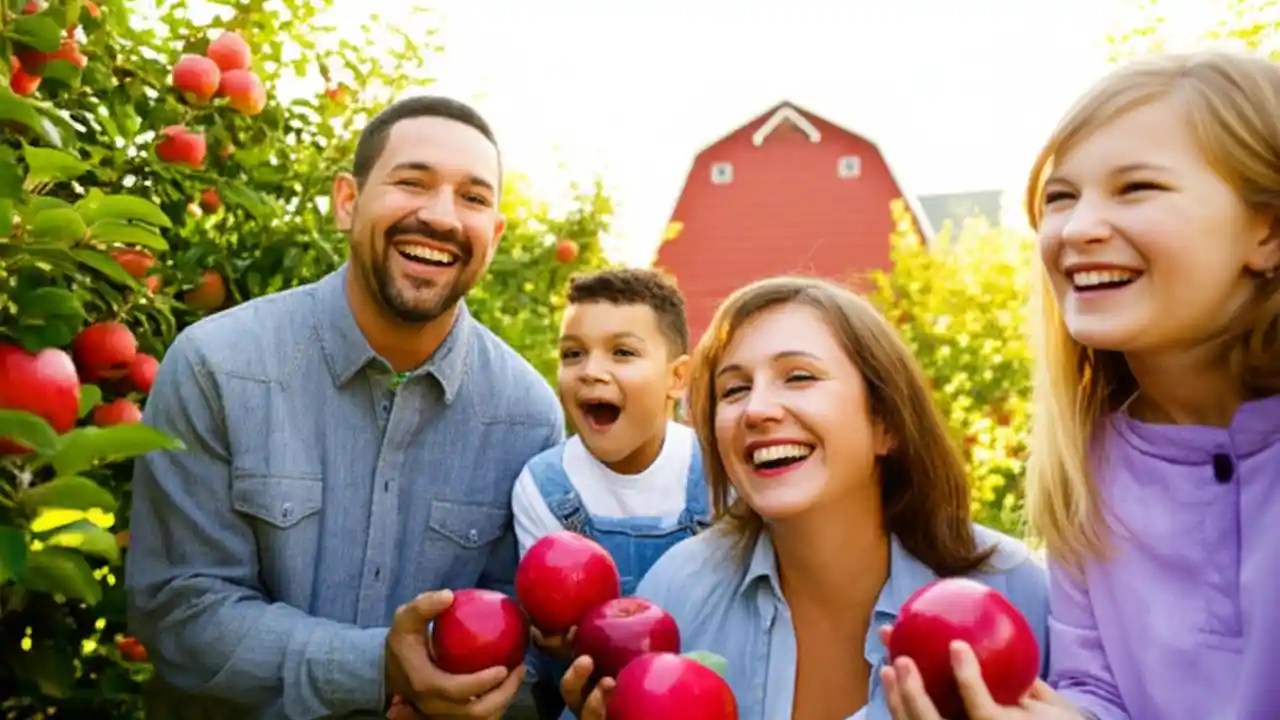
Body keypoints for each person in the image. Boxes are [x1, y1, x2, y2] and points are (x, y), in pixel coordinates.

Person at [124, 95, 564, 719]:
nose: (440, 217)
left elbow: (524, 646)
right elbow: (180, 609)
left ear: (493, 235)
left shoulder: (527, 418)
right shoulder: (217, 368)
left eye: (473, 197)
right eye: (411, 182)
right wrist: (378, 665)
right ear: (347, 202)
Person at [884, 50, 1280, 720]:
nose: (1077, 228)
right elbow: (1097, 688)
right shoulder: (1086, 470)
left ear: (1267, 233)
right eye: (1060, 198)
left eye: (1137, 188)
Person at [560, 275, 1051, 720]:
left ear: (886, 423)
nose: (757, 409)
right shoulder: (678, 589)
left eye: (799, 377)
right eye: (733, 390)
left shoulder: (1014, 595)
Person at [509, 268, 710, 718]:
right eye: (573, 354)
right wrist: (556, 634)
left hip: (706, 692)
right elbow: (552, 640)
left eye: (622, 352)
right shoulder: (545, 488)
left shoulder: (720, 477)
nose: (591, 372)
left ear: (677, 378)